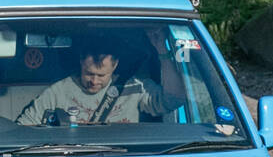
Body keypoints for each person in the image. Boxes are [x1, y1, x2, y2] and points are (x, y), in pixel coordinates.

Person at [15, 31, 185, 125]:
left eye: (101, 75)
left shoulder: (135, 87)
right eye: (89, 73)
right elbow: (23, 128)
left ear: (115, 65)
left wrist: (162, 51)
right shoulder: (58, 92)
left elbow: (175, 99)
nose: (94, 81)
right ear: (81, 62)